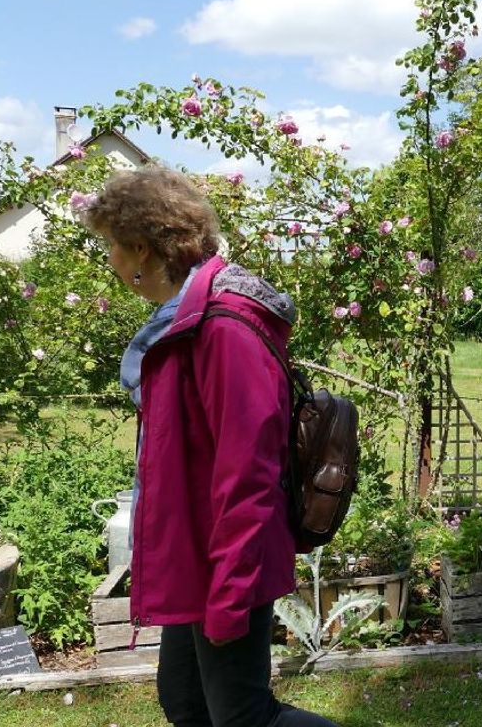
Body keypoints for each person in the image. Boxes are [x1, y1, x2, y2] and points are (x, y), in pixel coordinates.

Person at [82, 168, 338, 727]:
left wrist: (232, 589)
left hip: (228, 558)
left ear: (141, 249)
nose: (109, 261)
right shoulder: (188, 319)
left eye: (110, 246)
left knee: (245, 717)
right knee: (187, 702)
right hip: (199, 553)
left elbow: (248, 474)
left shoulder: (224, 327)